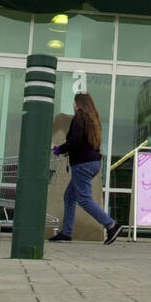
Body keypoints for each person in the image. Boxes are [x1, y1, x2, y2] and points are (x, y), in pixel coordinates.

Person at [48, 93, 123, 244]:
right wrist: (67, 150)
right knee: (69, 196)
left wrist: (58, 150)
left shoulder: (79, 118)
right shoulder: (92, 119)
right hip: (92, 163)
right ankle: (66, 233)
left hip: (83, 165)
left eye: (74, 103)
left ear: (78, 104)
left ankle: (111, 225)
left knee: (83, 199)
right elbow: (83, 143)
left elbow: (75, 141)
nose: (73, 106)